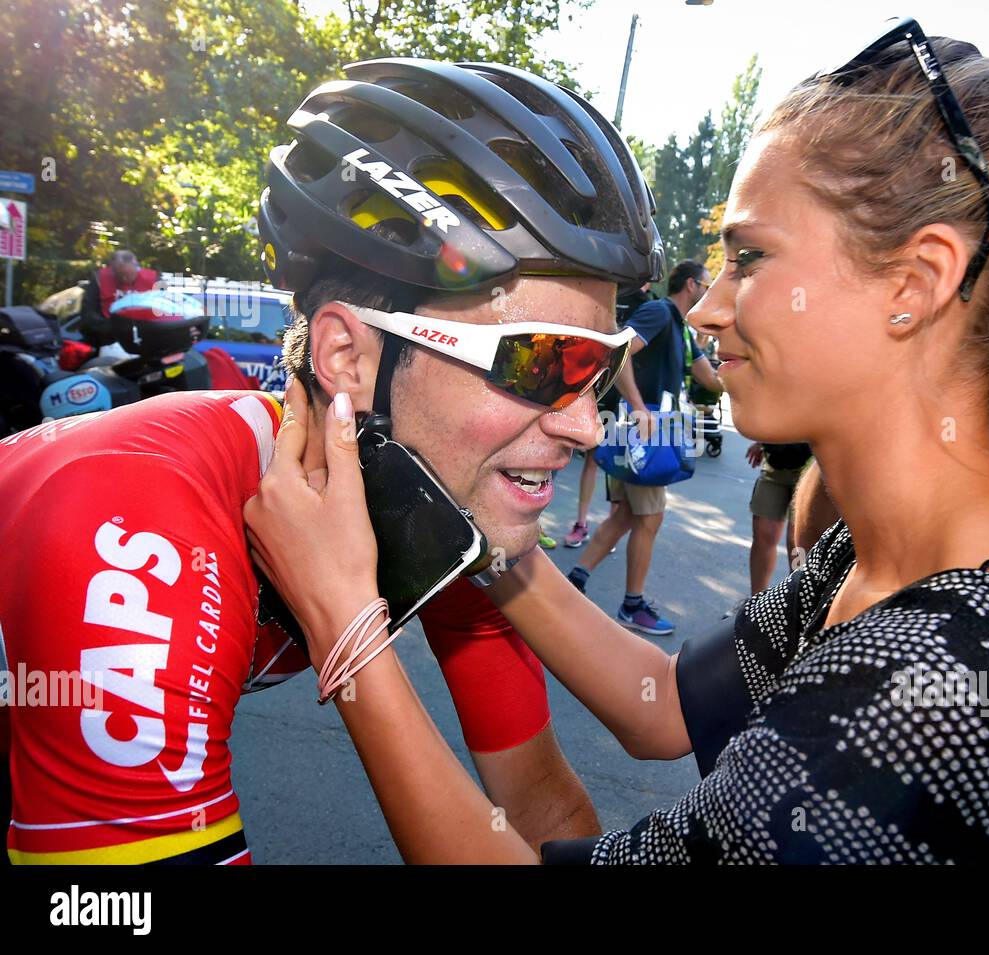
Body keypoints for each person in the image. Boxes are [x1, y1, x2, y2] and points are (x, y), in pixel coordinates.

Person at [246, 24, 989, 863]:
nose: (711, 306)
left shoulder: (944, 693)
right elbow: (662, 707)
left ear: (917, 279)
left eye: (752, 256)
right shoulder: (897, 563)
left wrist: (346, 628)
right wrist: (478, 501)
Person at [0, 58, 664, 864]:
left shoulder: (438, 514)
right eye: (541, 362)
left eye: (599, 368)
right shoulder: (137, 529)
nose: (590, 428)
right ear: (346, 356)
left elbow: (536, 805)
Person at [564, 260, 723, 635]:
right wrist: (638, 407)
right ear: (690, 285)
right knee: (650, 519)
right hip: (644, 436)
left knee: (625, 517)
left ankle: (575, 581)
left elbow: (713, 381)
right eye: (707, 283)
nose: (711, 290)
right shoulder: (658, 312)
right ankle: (632, 605)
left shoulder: (681, 329)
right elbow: (617, 354)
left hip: (642, 437)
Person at [563, 283, 656, 548]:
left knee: (617, 463)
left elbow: (630, 351)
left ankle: (609, 528)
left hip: (625, 399)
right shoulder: (605, 294)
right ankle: (581, 524)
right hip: (599, 392)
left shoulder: (648, 305)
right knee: (592, 461)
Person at [745, 441, 812, 593]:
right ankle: (757, 603)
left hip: (811, 466)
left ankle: (798, 600)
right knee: (763, 535)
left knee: (797, 540)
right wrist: (761, 442)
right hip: (775, 462)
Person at [79, 249, 159, 347]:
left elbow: (164, 310)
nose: (124, 279)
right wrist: (112, 328)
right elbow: (88, 312)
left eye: (128, 274)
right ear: (112, 268)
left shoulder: (153, 280)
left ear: (136, 266)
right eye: (120, 275)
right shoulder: (99, 280)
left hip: (145, 336)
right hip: (109, 338)